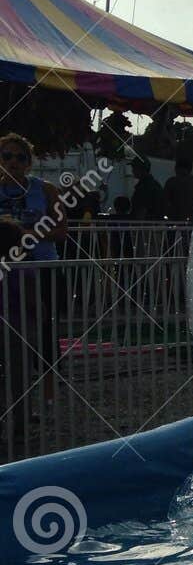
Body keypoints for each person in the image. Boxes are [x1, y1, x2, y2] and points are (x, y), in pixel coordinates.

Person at [0, 133, 69, 411]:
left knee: (45, 333)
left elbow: (62, 230)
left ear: (29, 163)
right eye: (7, 156)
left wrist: (26, 234)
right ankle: (15, 400)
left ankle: (49, 398)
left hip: (40, 269)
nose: (13, 162)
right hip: (6, 271)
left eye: (20, 157)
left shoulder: (46, 190)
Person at [163, 157, 193, 223]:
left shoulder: (171, 182)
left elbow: (165, 202)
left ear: (176, 168)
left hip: (173, 221)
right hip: (192, 222)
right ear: (190, 169)